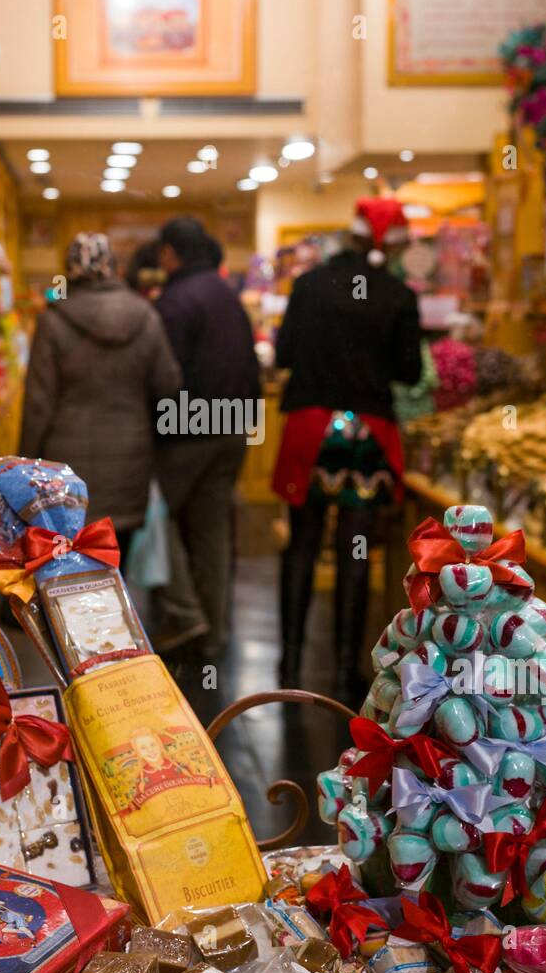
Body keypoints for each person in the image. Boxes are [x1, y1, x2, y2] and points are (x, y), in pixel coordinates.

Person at [272, 198, 423, 705]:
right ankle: (344, 671)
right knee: (355, 551)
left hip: (311, 427)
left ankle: (288, 662)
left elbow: (285, 353)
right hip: (368, 435)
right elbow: (409, 371)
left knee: (301, 544)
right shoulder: (399, 295)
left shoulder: (309, 285)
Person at [19, 232, 181, 558]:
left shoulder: (53, 320)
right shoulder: (145, 315)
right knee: (117, 563)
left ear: (69, 269)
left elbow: (38, 405)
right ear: (113, 266)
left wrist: (24, 469)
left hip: (67, 472)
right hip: (130, 461)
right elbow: (169, 386)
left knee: (71, 569)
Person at [153, 216, 260, 656]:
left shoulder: (174, 300)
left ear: (171, 253)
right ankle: (213, 633)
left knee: (152, 516)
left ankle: (184, 613)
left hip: (188, 426)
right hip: (234, 424)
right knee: (212, 530)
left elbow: (165, 375)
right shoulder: (227, 294)